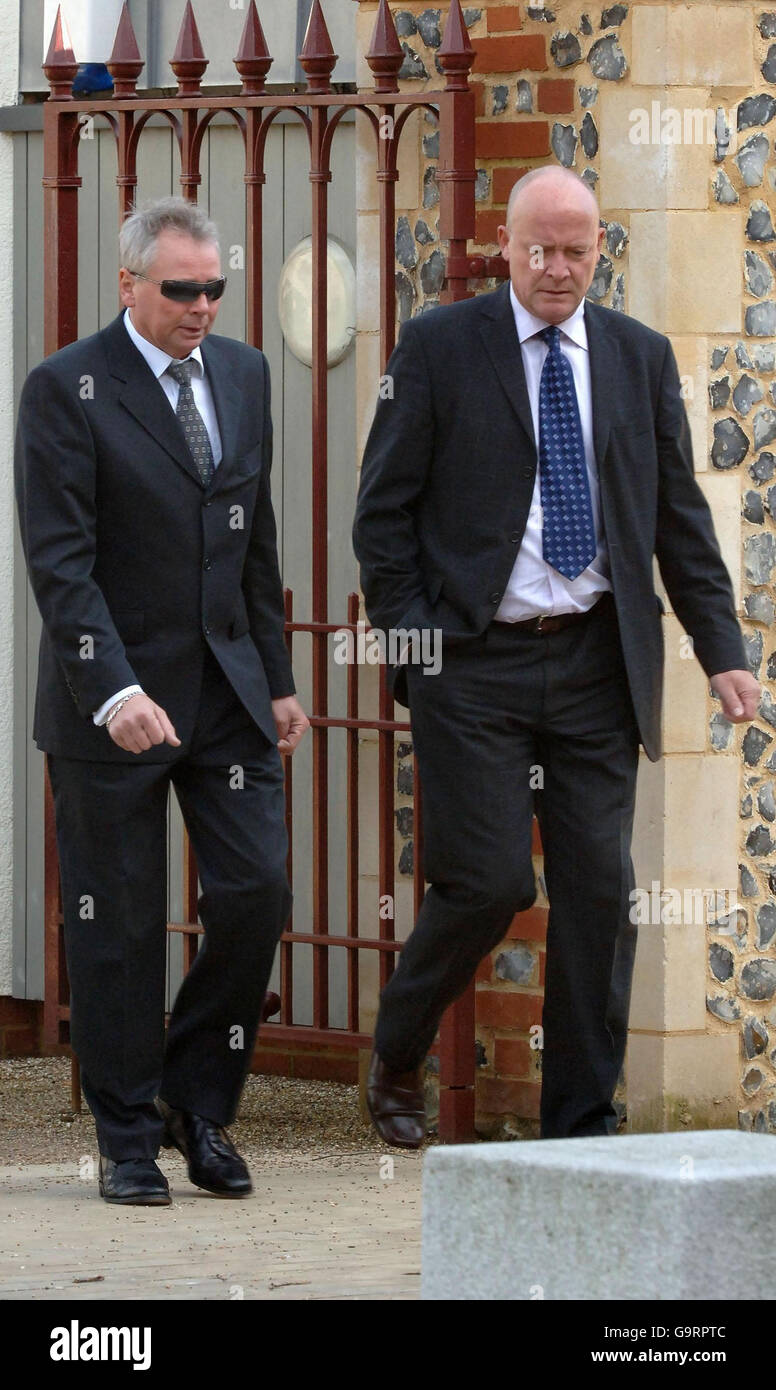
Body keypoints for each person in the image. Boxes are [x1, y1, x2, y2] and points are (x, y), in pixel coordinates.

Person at [353, 167, 758, 1147]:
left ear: (597, 249)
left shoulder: (635, 356)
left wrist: (720, 649)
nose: (556, 268)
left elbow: (675, 517)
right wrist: (419, 641)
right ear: (505, 243)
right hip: (473, 664)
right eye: (539, 248)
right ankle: (398, 1050)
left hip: (591, 665)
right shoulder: (441, 347)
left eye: (575, 250)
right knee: (490, 883)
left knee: (597, 897)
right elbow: (381, 514)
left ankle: (577, 1125)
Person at [15, 197, 309, 1203]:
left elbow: (253, 539)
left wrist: (275, 678)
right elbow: (62, 565)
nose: (202, 307)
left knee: (256, 892)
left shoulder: (243, 373)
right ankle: (129, 1134)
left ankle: (199, 1102)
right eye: (180, 289)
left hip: (226, 694)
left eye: (215, 287)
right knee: (119, 924)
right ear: (129, 284)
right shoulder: (65, 389)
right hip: (113, 702)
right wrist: (114, 687)